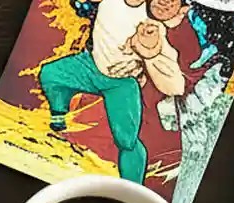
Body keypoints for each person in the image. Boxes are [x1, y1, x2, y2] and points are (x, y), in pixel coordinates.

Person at [39, 0, 192, 184]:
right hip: (89, 66)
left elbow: (175, 86)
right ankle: (59, 112)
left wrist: (149, 53)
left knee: (126, 141)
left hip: (121, 84)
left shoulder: (153, 25)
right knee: (50, 75)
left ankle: (133, 187)